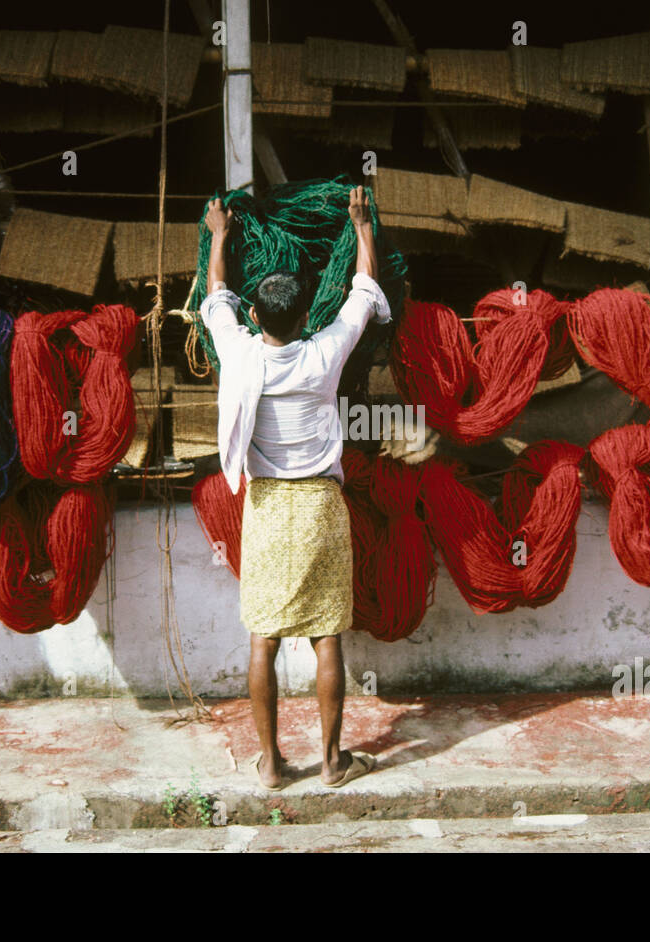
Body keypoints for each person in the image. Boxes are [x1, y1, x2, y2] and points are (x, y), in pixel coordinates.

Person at [200, 185, 387, 790]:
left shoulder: (239, 354)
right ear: (306, 315)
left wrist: (221, 235)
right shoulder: (325, 355)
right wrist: (361, 227)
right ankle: (334, 763)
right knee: (325, 634)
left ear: (258, 317)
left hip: (269, 506)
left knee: (265, 637)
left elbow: (214, 299)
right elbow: (362, 292)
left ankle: (273, 765)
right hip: (320, 505)